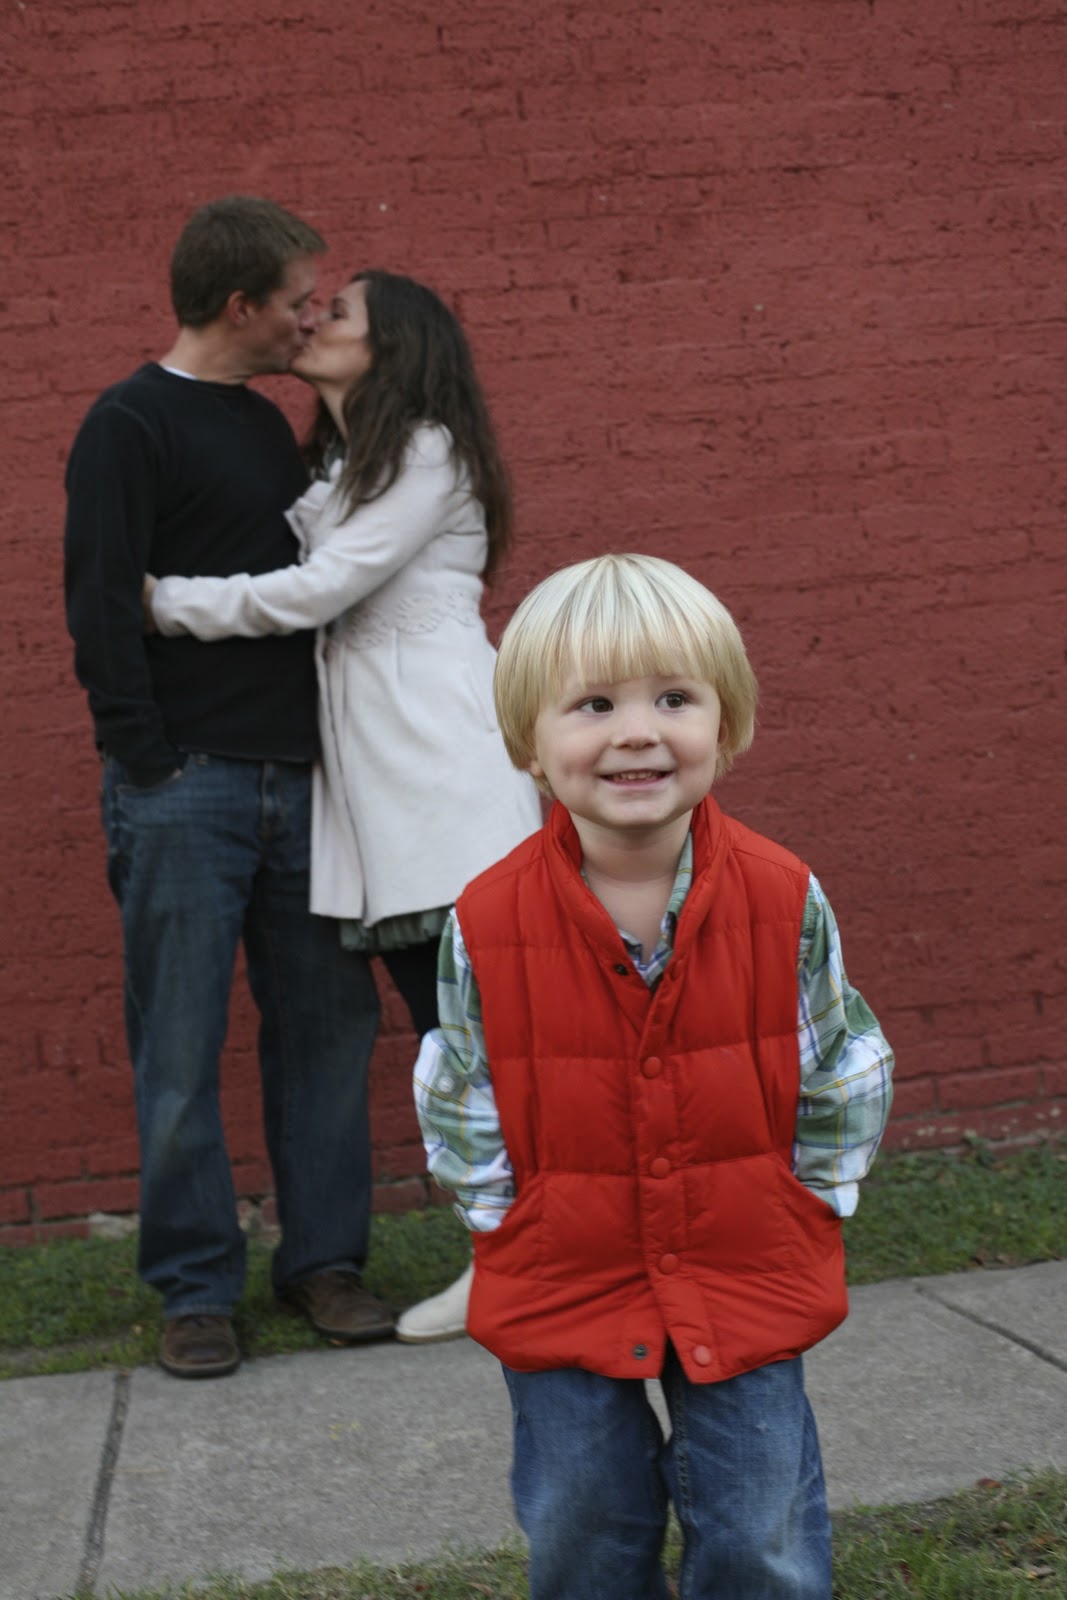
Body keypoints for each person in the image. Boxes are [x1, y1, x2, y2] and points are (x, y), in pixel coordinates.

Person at [414, 553, 894, 1599]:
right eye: (592, 704)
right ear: (528, 743)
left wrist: (811, 1194)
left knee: (758, 1517)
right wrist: (502, 1216)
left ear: (725, 724)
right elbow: (457, 1085)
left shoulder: (781, 894)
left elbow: (841, 1059)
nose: (636, 730)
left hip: (743, 1256)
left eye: (672, 698)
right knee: (583, 1515)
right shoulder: (485, 920)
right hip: (562, 1267)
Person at [144, 269, 544, 1340]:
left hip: (437, 757)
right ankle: (522, 1251)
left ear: (395, 347)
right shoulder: (342, 458)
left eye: (341, 314)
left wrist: (158, 599)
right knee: (450, 1032)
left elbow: (318, 591)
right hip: (374, 770)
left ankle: (519, 1258)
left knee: (467, 1028)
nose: (314, 320)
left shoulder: (426, 451)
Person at [64, 196, 395, 1381]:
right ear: (240, 304)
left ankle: (323, 1265)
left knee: (324, 1030)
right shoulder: (128, 423)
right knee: (181, 1043)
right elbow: (100, 603)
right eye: (300, 297)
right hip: (184, 788)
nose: (314, 314)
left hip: (308, 785)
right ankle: (197, 1291)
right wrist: (145, 759)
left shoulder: (273, 429)